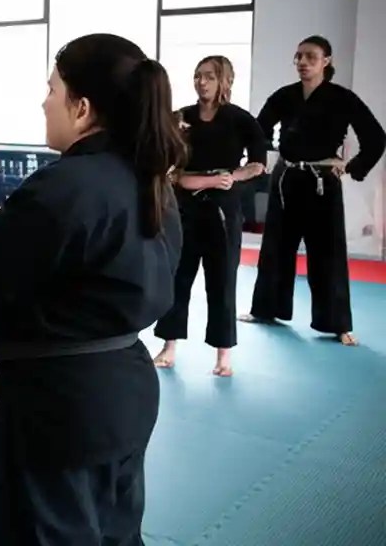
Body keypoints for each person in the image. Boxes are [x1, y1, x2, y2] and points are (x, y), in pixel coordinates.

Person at [0, 33, 184, 544]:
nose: (43, 101)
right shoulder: (147, 179)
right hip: (125, 387)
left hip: (60, 401)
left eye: (51, 89)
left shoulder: (69, 184)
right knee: (116, 533)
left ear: (81, 108)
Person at [243, 36, 385, 346]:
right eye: (298, 57)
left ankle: (337, 324)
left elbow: (376, 138)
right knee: (277, 247)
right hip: (286, 178)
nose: (302, 62)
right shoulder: (285, 96)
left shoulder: (342, 98)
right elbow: (257, 131)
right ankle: (266, 309)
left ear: (326, 61)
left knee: (327, 254)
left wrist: (351, 167)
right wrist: (256, 160)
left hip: (322, 182)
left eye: (310, 57)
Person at [153, 56, 267, 377]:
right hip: (184, 208)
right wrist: (187, 178)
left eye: (209, 77)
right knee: (177, 277)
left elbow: (259, 163)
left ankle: (223, 354)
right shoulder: (181, 118)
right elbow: (167, 162)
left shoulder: (240, 119)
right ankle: (169, 345)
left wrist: (232, 175)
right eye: (197, 76)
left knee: (221, 281)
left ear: (224, 82)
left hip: (222, 211)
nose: (201, 82)